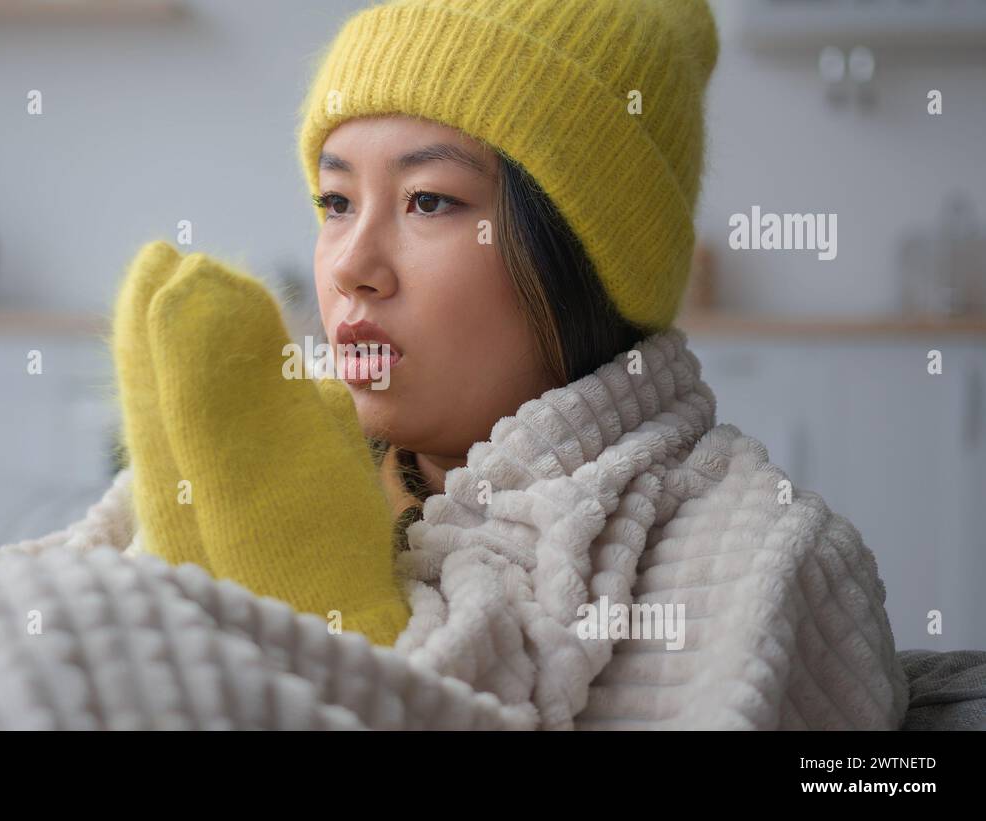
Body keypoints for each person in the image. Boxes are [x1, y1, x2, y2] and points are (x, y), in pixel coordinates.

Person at [110, 0, 907, 728]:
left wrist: (322, 612)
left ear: (584, 259)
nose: (352, 265)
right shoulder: (249, 468)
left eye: (429, 200)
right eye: (336, 202)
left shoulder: (760, 566)